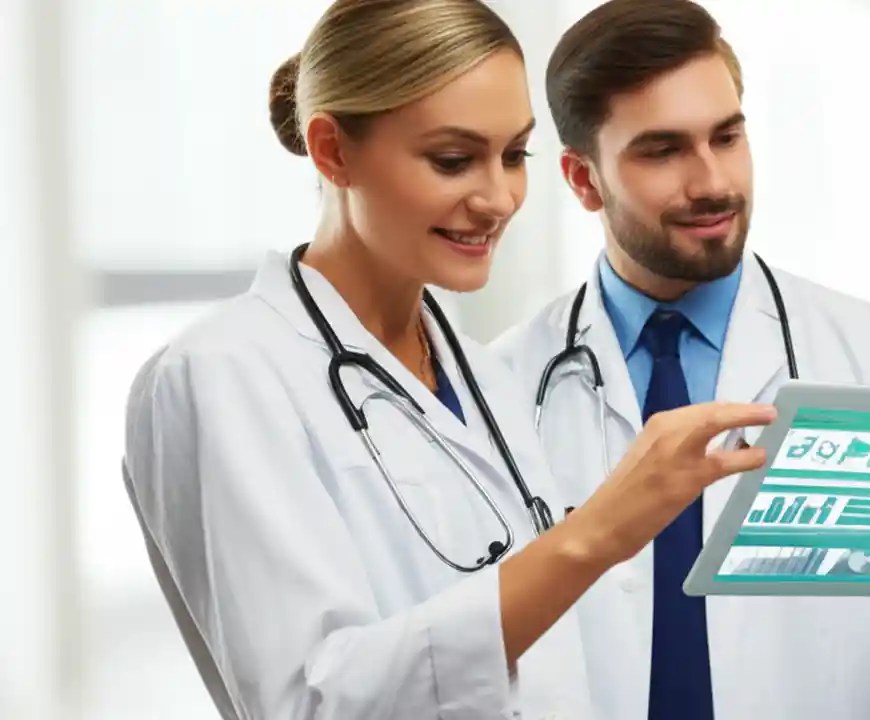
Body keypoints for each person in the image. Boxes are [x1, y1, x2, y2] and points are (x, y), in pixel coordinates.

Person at [121, 1, 774, 718]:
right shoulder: (221, 375)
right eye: (454, 159)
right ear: (333, 151)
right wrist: (598, 533)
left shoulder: (481, 373)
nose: (498, 199)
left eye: (515, 155)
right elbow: (311, 704)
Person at [491, 1, 870, 718]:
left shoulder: (864, 351)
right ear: (583, 178)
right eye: (663, 150)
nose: (713, 182)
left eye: (727, 136)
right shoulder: (504, 383)